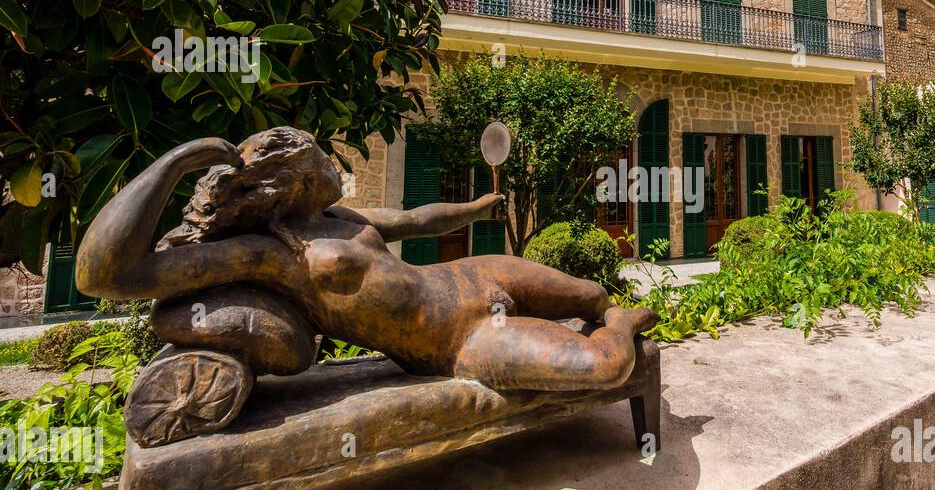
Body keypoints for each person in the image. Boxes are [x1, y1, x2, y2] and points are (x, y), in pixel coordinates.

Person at [77, 127, 655, 392]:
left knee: (592, 294)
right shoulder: (268, 252)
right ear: (298, 179)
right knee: (603, 366)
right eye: (322, 160)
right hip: (456, 342)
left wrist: (477, 207)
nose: (333, 166)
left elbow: (417, 220)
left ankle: (610, 312)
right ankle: (623, 326)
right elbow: (105, 274)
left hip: (471, 275)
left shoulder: (342, 218)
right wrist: (175, 162)